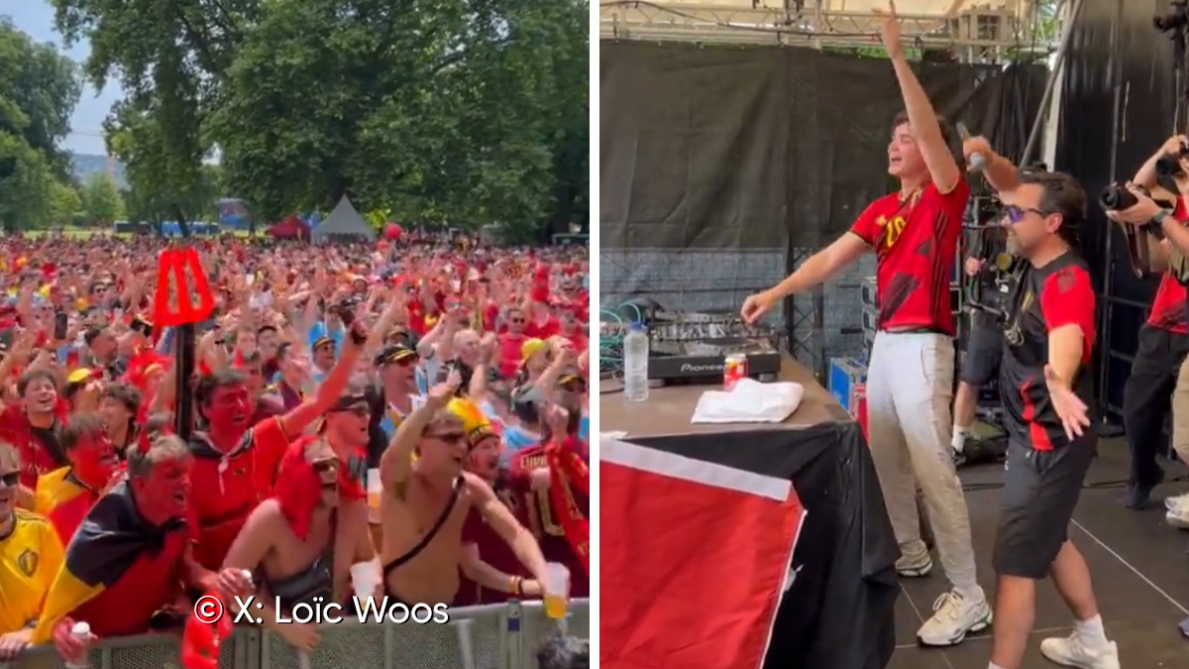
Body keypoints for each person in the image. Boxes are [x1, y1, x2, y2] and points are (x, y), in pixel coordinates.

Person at [738, 2, 987, 644]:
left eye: (904, 138)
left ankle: (969, 594)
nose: (895, 144)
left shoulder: (943, 194)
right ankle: (910, 550)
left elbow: (933, 138)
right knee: (885, 459)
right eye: (894, 138)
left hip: (927, 345)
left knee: (933, 467)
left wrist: (897, 55)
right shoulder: (882, 209)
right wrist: (775, 290)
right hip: (887, 345)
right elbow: (827, 258)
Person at [959, 137, 1118, 669]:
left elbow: (1067, 340)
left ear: (1051, 223)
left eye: (1014, 213)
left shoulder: (1067, 280)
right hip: (1033, 436)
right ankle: (1094, 643)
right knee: (1048, 541)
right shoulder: (1036, 257)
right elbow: (1008, 183)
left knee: (1015, 563)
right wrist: (986, 158)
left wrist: (1058, 380)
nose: (1005, 219)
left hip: (1050, 444)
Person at [33, 436, 251, 662]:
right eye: (172, 475)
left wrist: (219, 581)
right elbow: (56, 605)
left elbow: (184, 568)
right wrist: (59, 628)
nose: (186, 482)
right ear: (140, 484)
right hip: (90, 658)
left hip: (141, 655)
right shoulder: (101, 533)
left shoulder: (176, 519)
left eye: (187, 472)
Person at [186, 320, 366, 570]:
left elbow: (319, 403)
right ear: (205, 409)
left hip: (268, 574)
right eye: (229, 399)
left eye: (244, 396)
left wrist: (349, 356)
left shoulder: (262, 437)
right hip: (214, 587)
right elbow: (183, 558)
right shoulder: (186, 463)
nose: (240, 406)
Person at [377, 371, 549, 606]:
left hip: (450, 612)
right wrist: (429, 407)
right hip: (400, 613)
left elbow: (516, 533)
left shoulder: (469, 487)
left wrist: (542, 574)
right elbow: (392, 456)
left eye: (462, 439)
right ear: (421, 444)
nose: (460, 447)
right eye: (450, 439)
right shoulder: (403, 483)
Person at [222, 438, 374, 653]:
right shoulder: (272, 519)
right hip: (279, 650)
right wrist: (282, 625)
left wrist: (373, 587)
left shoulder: (352, 510)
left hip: (336, 647)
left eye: (335, 464)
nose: (331, 472)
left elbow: (367, 560)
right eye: (321, 466)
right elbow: (227, 589)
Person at [1116, 136, 1189, 510]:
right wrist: (1165, 149)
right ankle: (1144, 472)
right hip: (1165, 324)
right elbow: (1135, 190)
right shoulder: (1177, 207)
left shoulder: (1171, 214)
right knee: (1137, 408)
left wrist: (1156, 216)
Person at [0, 441, 64, 661]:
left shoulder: (40, 531)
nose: (2, 487)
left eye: (10, 478)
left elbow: (63, 603)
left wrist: (30, 631)